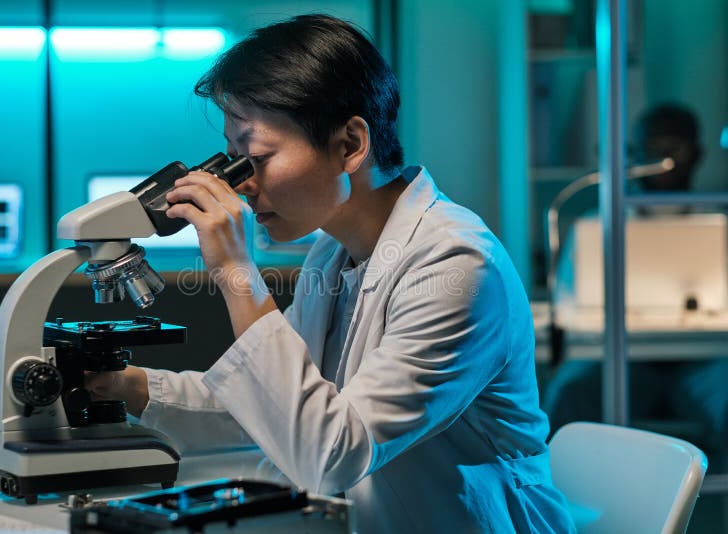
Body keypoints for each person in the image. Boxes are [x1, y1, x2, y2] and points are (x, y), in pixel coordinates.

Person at [87, 14, 575, 533]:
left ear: (349, 145)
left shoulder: (457, 266)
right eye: (231, 161)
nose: (241, 186)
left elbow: (333, 452)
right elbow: (273, 405)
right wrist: (127, 386)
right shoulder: (332, 252)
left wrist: (235, 272)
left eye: (253, 158)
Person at [542, 103, 728, 467]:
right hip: (619, 360)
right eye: (654, 148)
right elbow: (566, 310)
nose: (665, 159)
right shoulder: (597, 227)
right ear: (634, 154)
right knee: (568, 394)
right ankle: (563, 516)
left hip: (702, 362)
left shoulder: (718, 226)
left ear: (699, 155)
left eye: (676, 147)